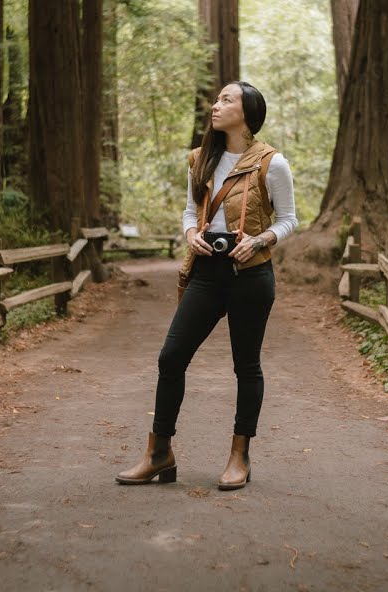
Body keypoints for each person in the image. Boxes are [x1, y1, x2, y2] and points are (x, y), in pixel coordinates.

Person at [116, 81, 297, 490]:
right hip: (206, 273)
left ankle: (240, 456)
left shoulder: (273, 163)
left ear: (247, 112)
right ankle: (159, 452)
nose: (216, 106)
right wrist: (189, 234)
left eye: (226, 100)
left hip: (250, 274)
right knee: (171, 357)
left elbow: (288, 219)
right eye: (217, 100)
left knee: (246, 367)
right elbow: (188, 211)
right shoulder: (200, 159)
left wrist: (259, 239)